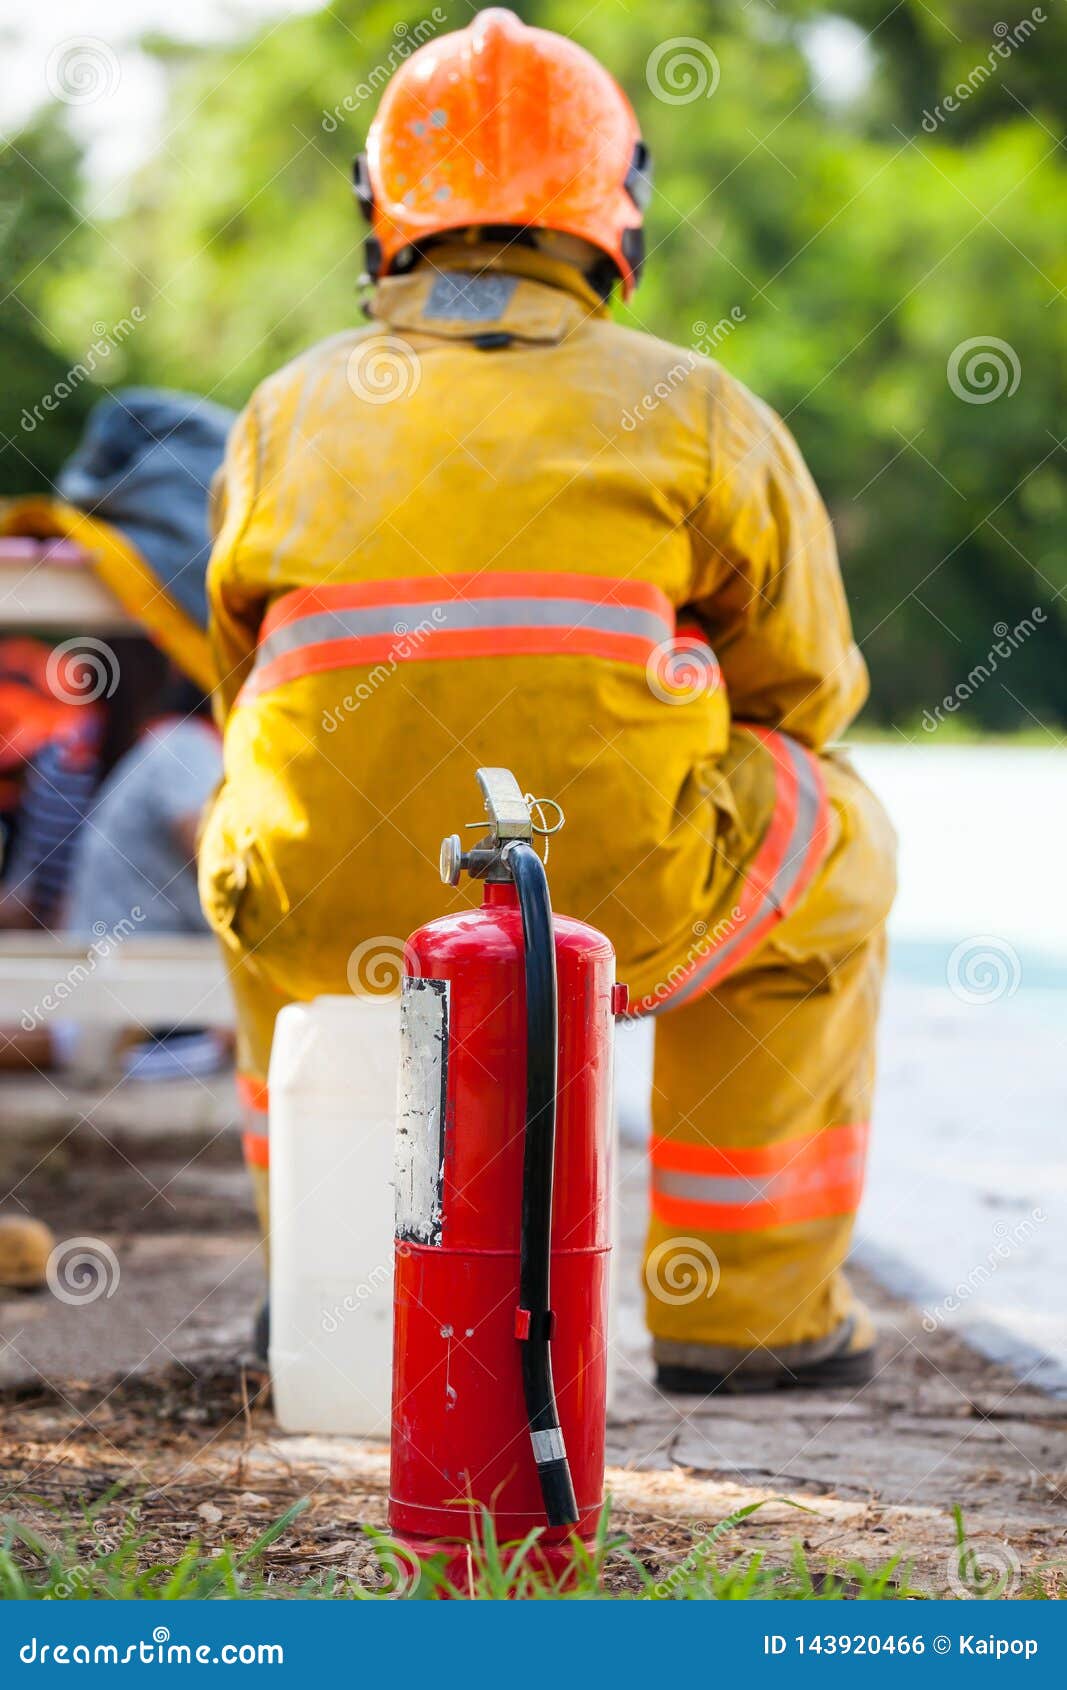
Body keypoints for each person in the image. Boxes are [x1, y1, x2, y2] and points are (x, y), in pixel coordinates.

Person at [201, 9, 896, 1392]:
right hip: (598, 901)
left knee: (256, 817)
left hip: (334, 910)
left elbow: (241, 674)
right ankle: (744, 1318)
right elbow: (805, 692)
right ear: (613, 212)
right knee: (835, 828)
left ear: (385, 217)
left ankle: (324, 1291)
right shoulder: (697, 408)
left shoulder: (284, 412)